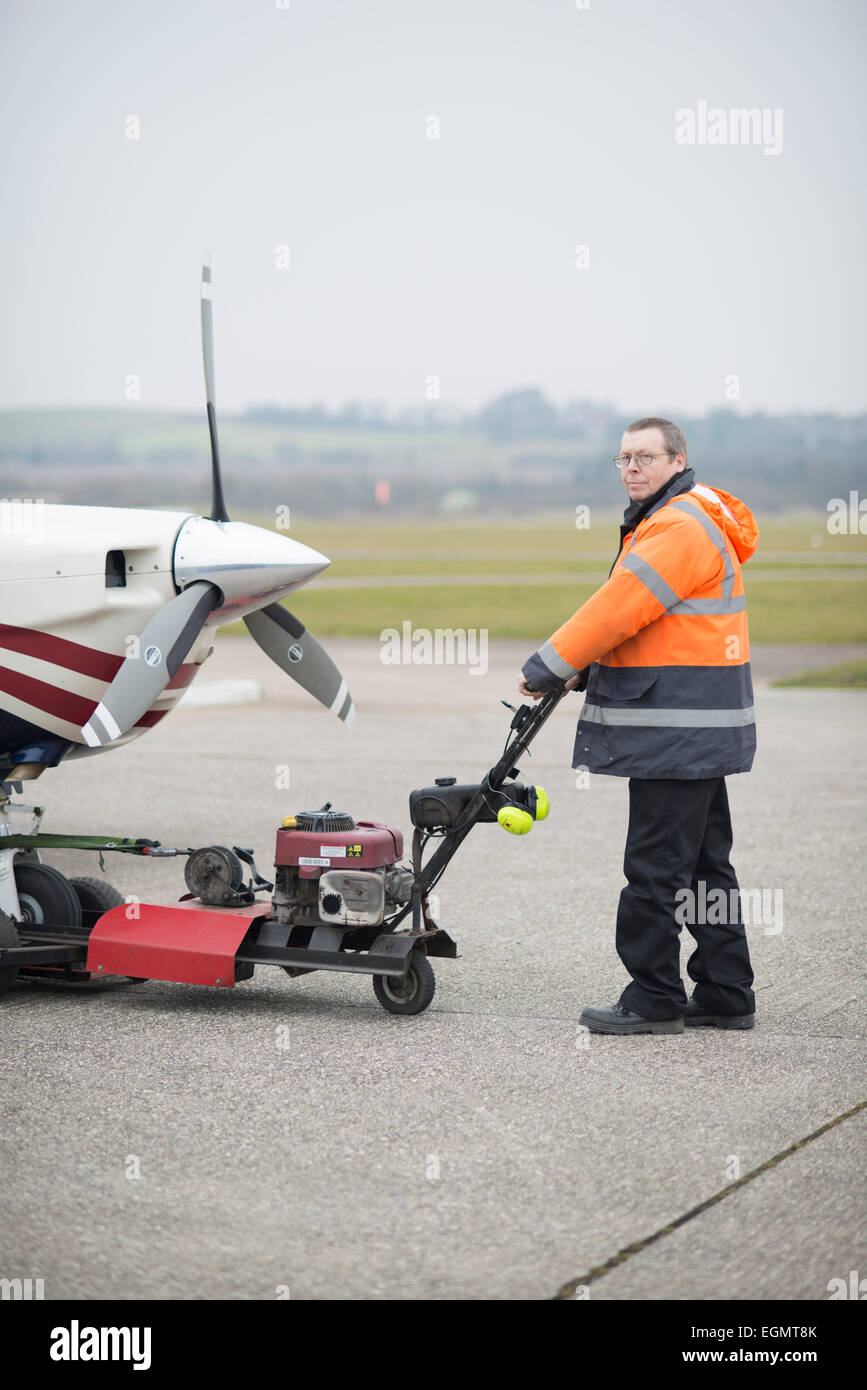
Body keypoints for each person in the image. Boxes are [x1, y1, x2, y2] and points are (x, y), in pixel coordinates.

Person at [519, 417, 758, 1035]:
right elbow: (649, 622)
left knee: (654, 869)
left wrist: (549, 666)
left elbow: (618, 607)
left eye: (646, 457)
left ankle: (654, 997)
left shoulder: (676, 526)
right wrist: (585, 671)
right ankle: (727, 991)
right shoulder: (681, 517)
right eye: (624, 458)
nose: (632, 468)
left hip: (675, 733)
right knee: (706, 866)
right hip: (699, 727)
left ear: (678, 461)